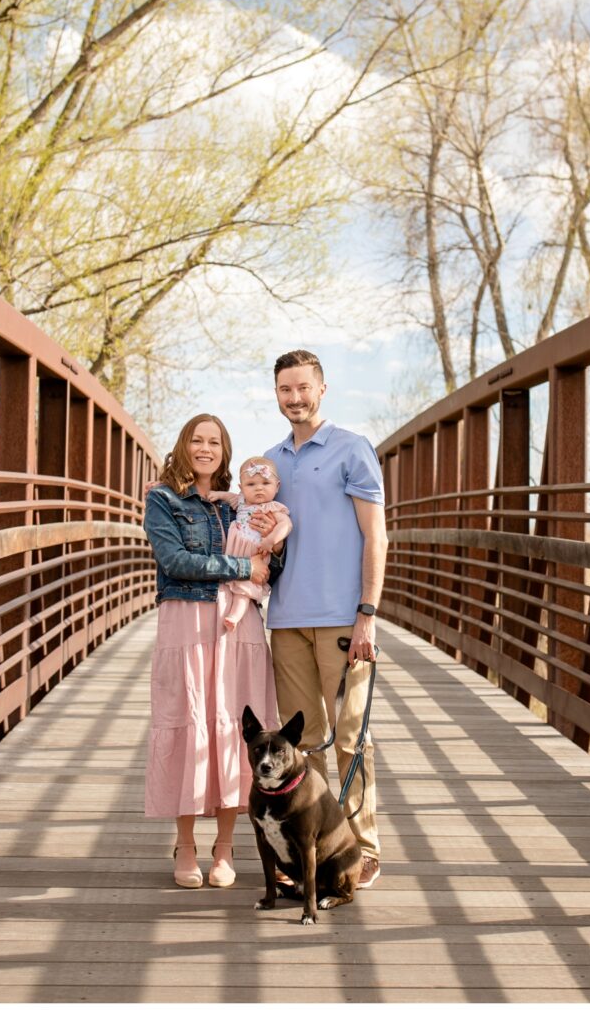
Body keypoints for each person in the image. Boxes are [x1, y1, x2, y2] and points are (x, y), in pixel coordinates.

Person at [252, 349, 389, 890]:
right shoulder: (270, 460)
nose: (295, 398)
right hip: (285, 619)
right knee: (302, 746)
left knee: (352, 736)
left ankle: (364, 848)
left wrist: (367, 614)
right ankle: (313, 849)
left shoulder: (353, 450)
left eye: (303, 388)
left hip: (342, 619)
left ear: (322, 388)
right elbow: (245, 515)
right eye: (285, 390)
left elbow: (375, 535)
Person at [142, 413, 277, 889]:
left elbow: (269, 562)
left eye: (214, 442)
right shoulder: (161, 498)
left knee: (234, 728)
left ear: (225, 450)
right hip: (187, 620)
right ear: (183, 445)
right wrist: (243, 564)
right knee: (188, 721)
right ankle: (185, 846)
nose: (205, 449)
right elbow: (175, 560)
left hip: (239, 628)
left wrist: (270, 546)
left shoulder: (237, 505)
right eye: (197, 440)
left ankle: (224, 846)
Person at [215, 456, 292, 632]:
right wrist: (216, 494)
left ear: (277, 486)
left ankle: (235, 616)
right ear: (241, 489)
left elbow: (286, 525)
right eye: (251, 484)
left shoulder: (272, 507)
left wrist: (270, 540)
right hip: (234, 552)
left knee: (245, 587)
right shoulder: (241, 502)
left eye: (265, 483)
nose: (258, 488)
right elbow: (228, 497)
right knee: (231, 580)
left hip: (256, 552)